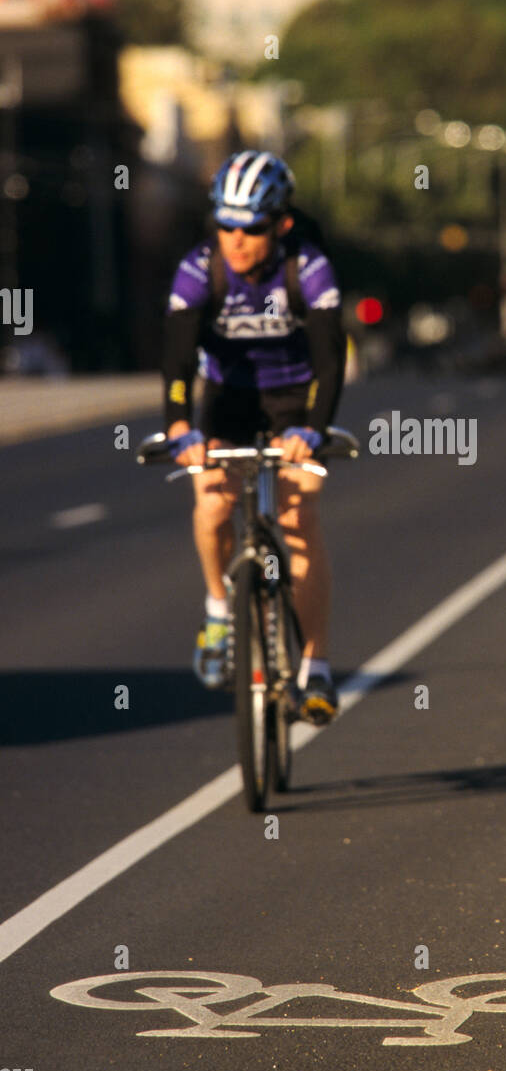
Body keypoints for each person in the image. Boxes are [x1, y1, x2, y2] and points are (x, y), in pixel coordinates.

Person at [162, 150, 346, 722]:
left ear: (281, 224)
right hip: (227, 402)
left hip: (296, 400)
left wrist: (313, 433)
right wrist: (179, 426)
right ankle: (220, 608)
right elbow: (176, 360)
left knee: (299, 518)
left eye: (252, 228)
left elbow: (330, 359)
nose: (236, 240)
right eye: (225, 225)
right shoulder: (199, 269)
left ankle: (315, 669)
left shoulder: (309, 267)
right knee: (213, 502)